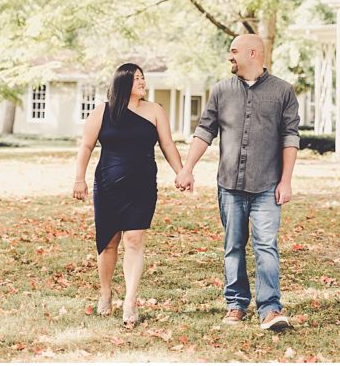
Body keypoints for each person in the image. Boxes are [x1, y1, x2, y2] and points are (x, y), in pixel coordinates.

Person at [174, 34, 299, 331]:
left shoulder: (283, 91)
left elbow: (290, 137)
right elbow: (205, 131)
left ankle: (270, 309)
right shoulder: (221, 90)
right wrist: (187, 169)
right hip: (229, 184)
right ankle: (236, 304)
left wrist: (286, 181)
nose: (229, 57)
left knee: (266, 246)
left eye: (234, 51)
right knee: (233, 245)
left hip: (267, 184)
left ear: (252, 53)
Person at [72, 63, 184, 327]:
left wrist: (182, 172)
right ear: (123, 83)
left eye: (143, 77)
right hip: (108, 185)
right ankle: (106, 292)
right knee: (109, 242)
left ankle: (130, 301)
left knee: (134, 240)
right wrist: (79, 178)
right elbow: (86, 146)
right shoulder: (103, 111)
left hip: (142, 185)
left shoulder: (155, 110)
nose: (142, 82)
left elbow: (167, 144)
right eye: (136, 78)